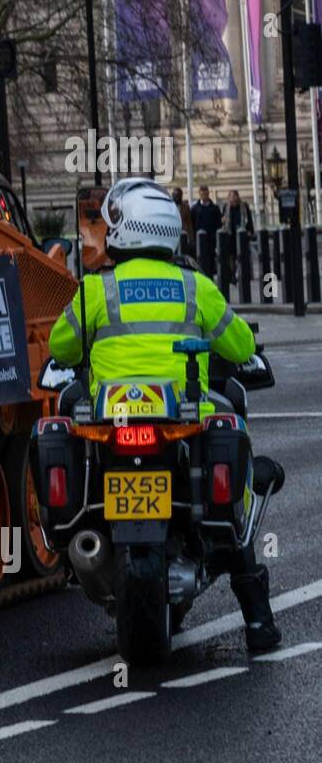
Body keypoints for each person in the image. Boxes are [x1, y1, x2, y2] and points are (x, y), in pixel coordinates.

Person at [48, 177, 282, 652]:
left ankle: (77, 527)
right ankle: (257, 620)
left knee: (67, 413)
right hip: (180, 412)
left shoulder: (96, 290)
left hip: (112, 418)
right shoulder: (194, 286)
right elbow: (238, 345)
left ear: (124, 232)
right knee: (229, 425)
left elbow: (59, 346)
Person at [190, 184, 222, 259]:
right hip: (199, 239)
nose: (204, 195)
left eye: (205, 194)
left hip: (211, 239)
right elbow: (192, 223)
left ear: (208, 194)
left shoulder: (215, 208)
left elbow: (218, 223)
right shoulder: (194, 209)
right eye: (202, 194)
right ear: (199, 194)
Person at [171, 186, 195, 253]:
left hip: (183, 234)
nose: (177, 197)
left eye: (179, 195)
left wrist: (191, 237)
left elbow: (189, 223)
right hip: (172, 234)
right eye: (175, 195)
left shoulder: (185, 206)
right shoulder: (169, 206)